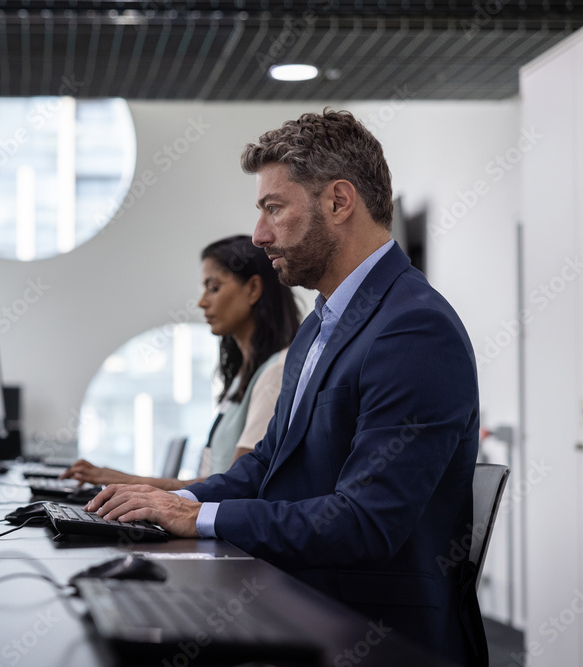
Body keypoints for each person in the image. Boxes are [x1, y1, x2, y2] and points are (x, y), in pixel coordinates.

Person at [84, 109, 485, 666]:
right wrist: (173, 502)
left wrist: (199, 518)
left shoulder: (414, 329)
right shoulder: (322, 321)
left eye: (275, 208)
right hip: (302, 603)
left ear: (339, 202)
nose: (259, 234)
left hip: (373, 637)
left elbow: (365, 523)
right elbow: (268, 464)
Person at [61, 235, 300, 490]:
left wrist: (126, 481)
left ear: (253, 289)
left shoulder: (276, 371)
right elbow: (212, 477)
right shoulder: (244, 377)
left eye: (214, 288)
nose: (201, 302)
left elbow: (236, 486)